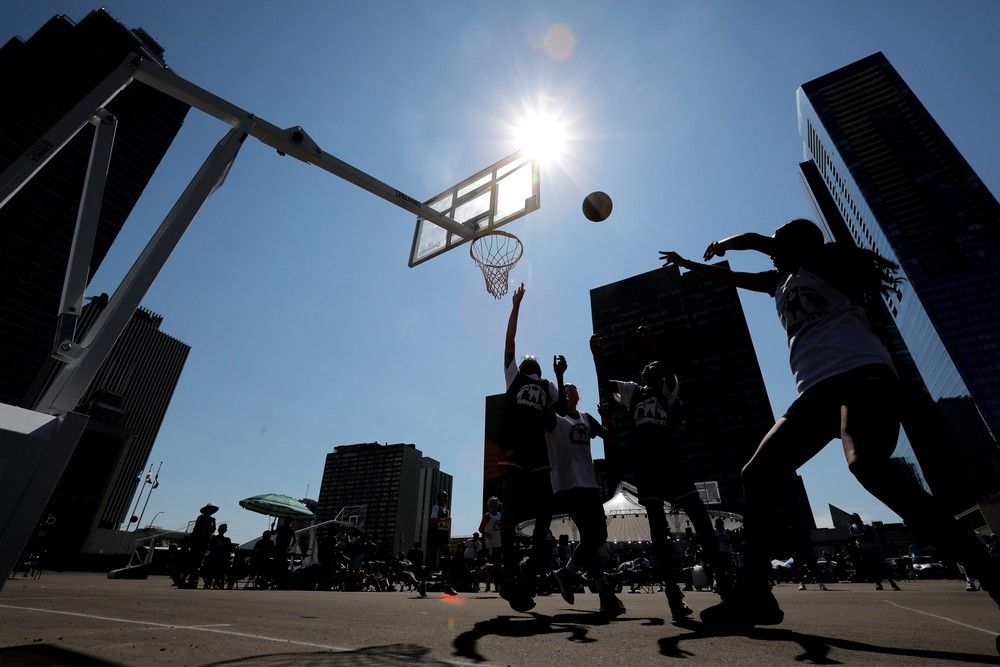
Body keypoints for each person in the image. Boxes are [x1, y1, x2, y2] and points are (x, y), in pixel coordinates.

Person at [660, 218, 998, 625]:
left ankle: (989, 569)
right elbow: (730, 279)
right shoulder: (778, 283)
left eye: (781, 241)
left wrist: (722, 241)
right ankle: (755, 596)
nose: (774, 246)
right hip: (816, 391)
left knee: (867, 466)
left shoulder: (822, 266)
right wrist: (687, 262)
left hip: (863, 376)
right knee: (759, 473)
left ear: (798, 246)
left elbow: (754, 240)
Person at [591, 327, 723, 619]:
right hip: (646, 465)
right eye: (648, 365)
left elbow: (667, 365)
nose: (652, 367)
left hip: (671, 460)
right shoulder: (633, 391)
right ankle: (673, 594)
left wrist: (653, 345)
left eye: (655, 365)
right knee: (658, 531)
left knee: (699, 516)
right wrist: (597, 356)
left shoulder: (667, 387)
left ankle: (724, 579)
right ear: (641, 373)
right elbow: (605, 383)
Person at [545, 354, 627, 618]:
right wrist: (558, 374)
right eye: (564, 390)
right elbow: (556, 406)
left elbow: (610, 439)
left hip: (589, 484)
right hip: (568, 485)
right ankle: (604, 594)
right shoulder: (555, 418)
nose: (568, 391)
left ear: (578, 396)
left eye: (572, 389)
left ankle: (566, 573)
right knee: (591, 536)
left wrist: (609, 417)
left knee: (598, 536)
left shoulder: (586, 418)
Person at [498, 283, 559, 612]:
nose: (527, 359)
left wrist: (560, 378)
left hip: (537, 455)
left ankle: (527, 569)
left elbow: (556, 412)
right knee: (509, 517)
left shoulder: (546, 386)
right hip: (515, 453)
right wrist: (516, 306)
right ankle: (511, 576)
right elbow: (510, 341)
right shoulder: (513, 377)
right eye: (526, 359)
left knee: (545, 514)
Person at [419, 490, 458, 597]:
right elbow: (432, 520)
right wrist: (444, 519)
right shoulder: (436, 508)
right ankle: (423, 584)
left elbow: (444, 524)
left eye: (446, 497)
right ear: (439, 498)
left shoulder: (447, 510)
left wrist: (446, 521)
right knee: (431, 564)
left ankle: (447, 586)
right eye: (443, 497)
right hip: (435, 538)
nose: (445, 499)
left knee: (448, 561)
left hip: (444, 538)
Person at [849, 513, 900, 591]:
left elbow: (872, 536)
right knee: (871, 568)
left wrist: (863, 536)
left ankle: (892, 583)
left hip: (873, 548)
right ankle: (879, 583)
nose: (856, 520)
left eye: (857, 518)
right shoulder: (852, 527)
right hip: (863, 550)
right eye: (854, 518)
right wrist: (864, 535)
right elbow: (853, 536)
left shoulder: (867, 526)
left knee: (881, 566)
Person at [186, 503, 218, 588]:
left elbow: (213, 529)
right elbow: (196, 528)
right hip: (197, 541)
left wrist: (208, 531)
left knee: (198, 561)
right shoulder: (200, 517)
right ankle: (192, 579)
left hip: (204, 543)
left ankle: (194, 579)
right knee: (194, 561)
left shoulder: (213, 519)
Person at [478, 497, 503, 593]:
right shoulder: (487, 515)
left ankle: (496, 583)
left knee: (498, 564)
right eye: (492, 504)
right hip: (491, 544)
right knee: (494, 564)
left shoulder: (499, 515)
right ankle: (491, 583)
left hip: (499, 542)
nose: (494, 505)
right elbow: (480, 529)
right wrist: (486, 534)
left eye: (495, 503)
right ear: (489, 505)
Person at [204, 523, 233, 589]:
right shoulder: (215, 538)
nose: (221, 530)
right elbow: (211, 548)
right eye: (220, 529)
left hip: (220, 558)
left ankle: (213, 580)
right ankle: (215, 579)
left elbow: (228, 550)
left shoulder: (225, 539)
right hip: (216, 558)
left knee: (221, 562)